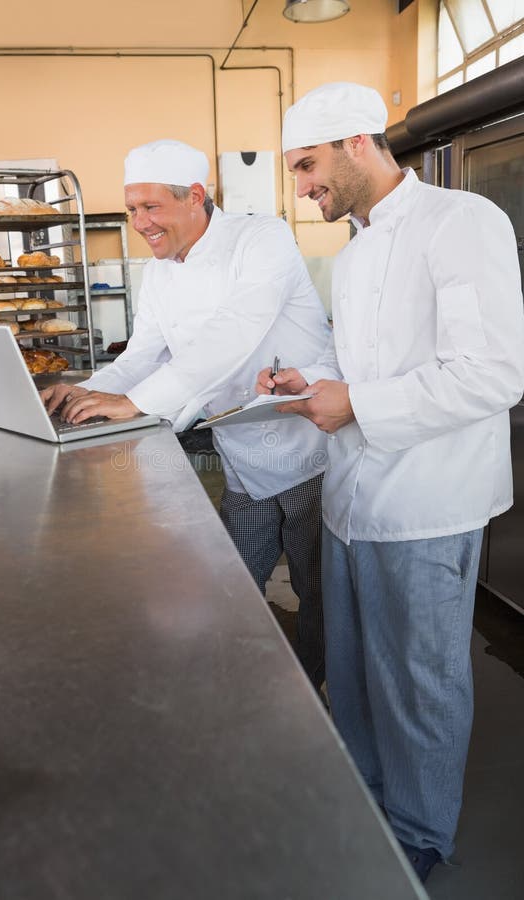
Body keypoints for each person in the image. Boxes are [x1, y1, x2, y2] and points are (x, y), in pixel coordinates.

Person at [257, 81, 524, 882]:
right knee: (362, 673)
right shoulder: (359, 246)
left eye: (308, 166)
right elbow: (365, 363)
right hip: (353, 502)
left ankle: (419, 835)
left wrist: (358, 404)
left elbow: (492, 374)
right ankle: (371, 800)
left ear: (359, 144)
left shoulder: (461, 222)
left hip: (428, 504)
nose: (303, 187)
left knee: (422, 682)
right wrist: (316, 378)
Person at [41, 139, 331, 688]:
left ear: (195, 196)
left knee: (318, 592)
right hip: (244, 451)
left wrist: (136, 403)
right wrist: (81, 392)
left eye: (150, 208)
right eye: (131, 210)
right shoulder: (162, 271)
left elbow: (234, 334)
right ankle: (229, 687)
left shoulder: (260, 238)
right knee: (231, 585)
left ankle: (317, 696)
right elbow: (144, 353)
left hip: (307, 444)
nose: (139, 223)